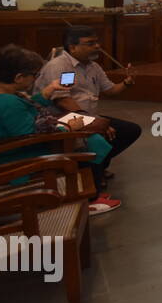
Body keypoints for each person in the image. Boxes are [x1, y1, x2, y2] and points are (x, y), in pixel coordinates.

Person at [0, 44, 121, 214]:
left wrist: (48, 91)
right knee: (90, 140)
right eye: (35, 75)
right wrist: (69, 128)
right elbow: (30, 136)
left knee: (88, 136)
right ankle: (89, 199)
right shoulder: (6, 103)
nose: (36, 79)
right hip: (7, 159)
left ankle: (93, 191)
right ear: (19, 77)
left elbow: (27, 110)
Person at [36, 26, 142, 185]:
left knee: (130, 130)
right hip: (63, 118)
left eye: (97, 42)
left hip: (85, 115)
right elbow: (63, 100)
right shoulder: (63, 66)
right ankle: (90, 176)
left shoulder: (93, 66)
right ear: (72, 47)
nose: (97, 46)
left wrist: (127, 82)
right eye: (90, 43)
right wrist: (93, 122)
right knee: (97, 136)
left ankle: (97, 165)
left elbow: (111, 90)